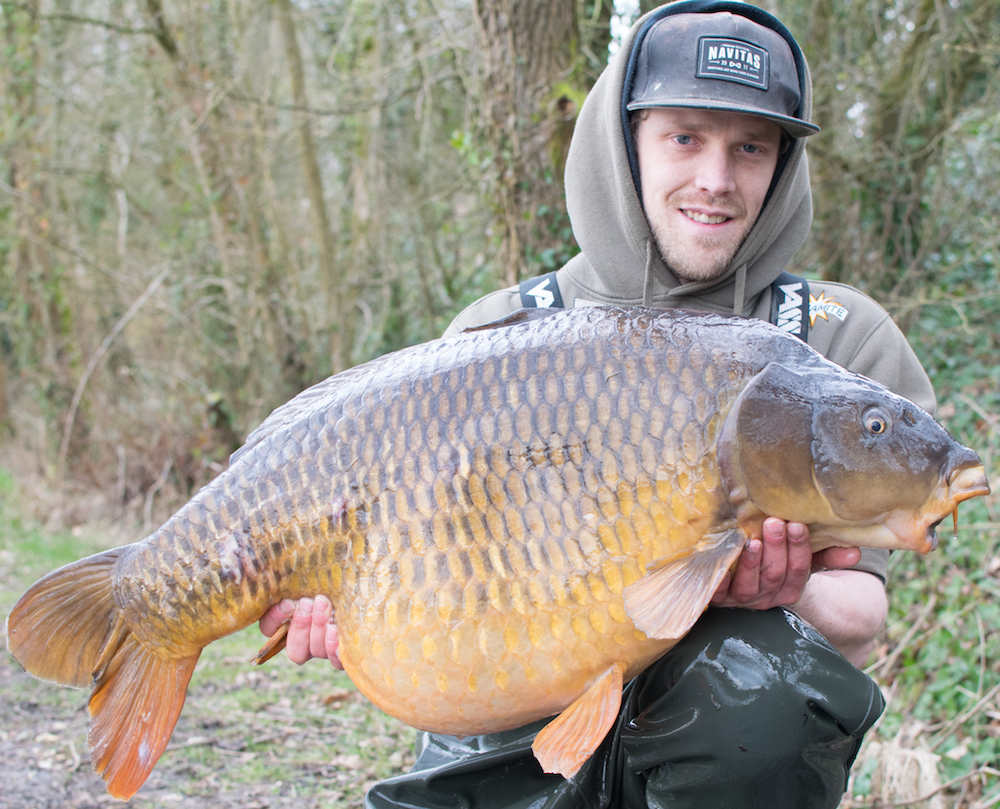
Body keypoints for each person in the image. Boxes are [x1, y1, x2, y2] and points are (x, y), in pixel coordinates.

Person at [259, 2, 936, 807]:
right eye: (684, 138)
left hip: (726, 741)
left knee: (763, 689)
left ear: (783, 164)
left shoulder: (834, 340)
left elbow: (862, 611)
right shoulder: (495, 334)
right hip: (513, 714)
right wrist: (343, 598)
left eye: (750, 147)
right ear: (626, 143)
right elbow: (411, 564)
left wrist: (775, 589)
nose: (716, 179)